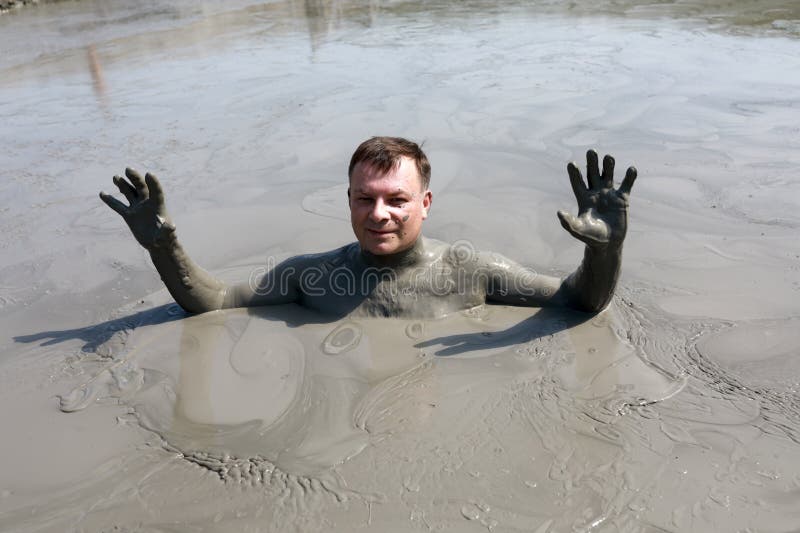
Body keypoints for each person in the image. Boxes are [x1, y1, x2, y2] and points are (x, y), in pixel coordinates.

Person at [100, 137, 637, 319]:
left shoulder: (472, 271)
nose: (379, 214)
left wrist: (606, 252)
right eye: (366, 199)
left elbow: (578, 302)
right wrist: (164, 246)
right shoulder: (310, 279)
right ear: (349, 201)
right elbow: (213, 303)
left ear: (425, 203)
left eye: (397, 200)